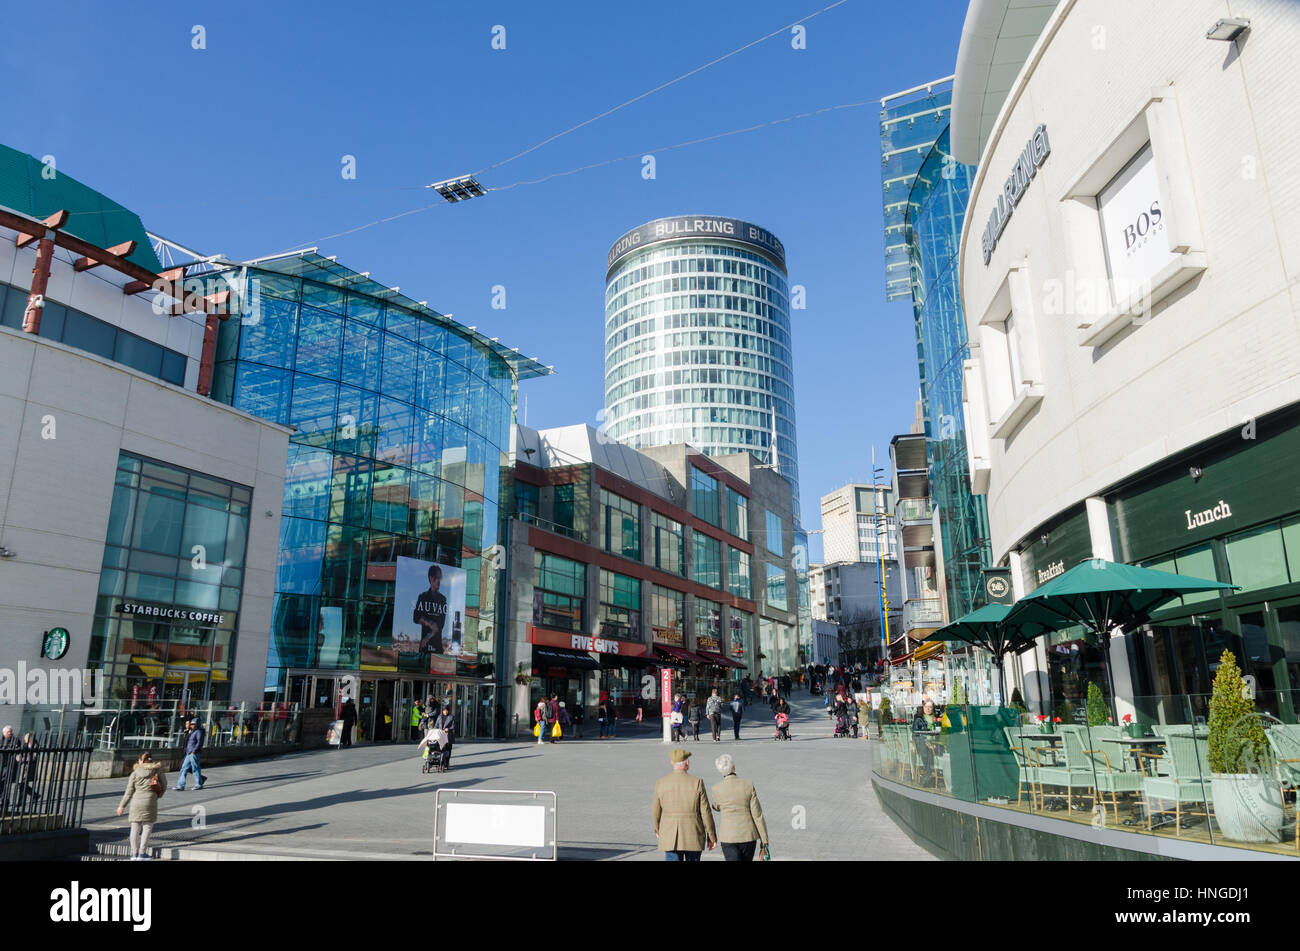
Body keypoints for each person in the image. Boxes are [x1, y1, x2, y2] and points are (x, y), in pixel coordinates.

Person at [651, 749, 717, 861]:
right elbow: (706, 812)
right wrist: (711, 836)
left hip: (669, 834)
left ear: (672, 763)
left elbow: (655, 811)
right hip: (693, 834)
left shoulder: (661, 782)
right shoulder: (697, 782)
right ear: (687, 763)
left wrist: (658, 830)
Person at [710, 754, 770, 861]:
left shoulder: (716, 789)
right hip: (748, 835)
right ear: (734, 767)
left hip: (728, 836)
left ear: (721, 771)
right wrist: (764, 840)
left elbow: (716, 806)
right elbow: (757, 814)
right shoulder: (748, 785)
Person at [116, 751, 167, 860]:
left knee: (135, 828)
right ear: (151, 760)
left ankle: (134, 854)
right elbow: (164, 785)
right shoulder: (157, 770)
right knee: (147, 827)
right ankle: (142, 853)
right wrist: (158, 795)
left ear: (140, 761)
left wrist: (122, 806)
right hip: (150, 801)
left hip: (136, 801)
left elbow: (129, 791)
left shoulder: (135, 773)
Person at [413, 563, 449, 653]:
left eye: (440, 578)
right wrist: (429, 622)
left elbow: (440, 625)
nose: (439, 581)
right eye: (437, 578)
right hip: (424, 648)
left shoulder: (442, 599)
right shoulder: (422, 596)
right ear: (431, 578)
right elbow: (415, 618)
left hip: (436, 646)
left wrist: (426, 638)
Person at [912, 699, 937, 784]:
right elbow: (915, 734)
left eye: (930, 707)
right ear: (923, 707)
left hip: (935, 743)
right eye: (926, 707)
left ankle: (930, 774)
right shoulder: (919, 719)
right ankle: (928, 774)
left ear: (933, 708)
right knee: (927, 750)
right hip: (923, 744)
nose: (928, 709)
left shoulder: (936, 718)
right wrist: (926, 742)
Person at [175, 719, 204, 790]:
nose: (192, 725)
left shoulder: (199, 732)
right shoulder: (193, 731)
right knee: (183, 768)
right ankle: (180, 785)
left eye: (193, 724)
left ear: (197, 724)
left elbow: (199, 742)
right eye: (191, 724)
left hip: (193, 753)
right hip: (189, 753)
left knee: (195, 768)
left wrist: (194, 751)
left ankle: (198, 784)